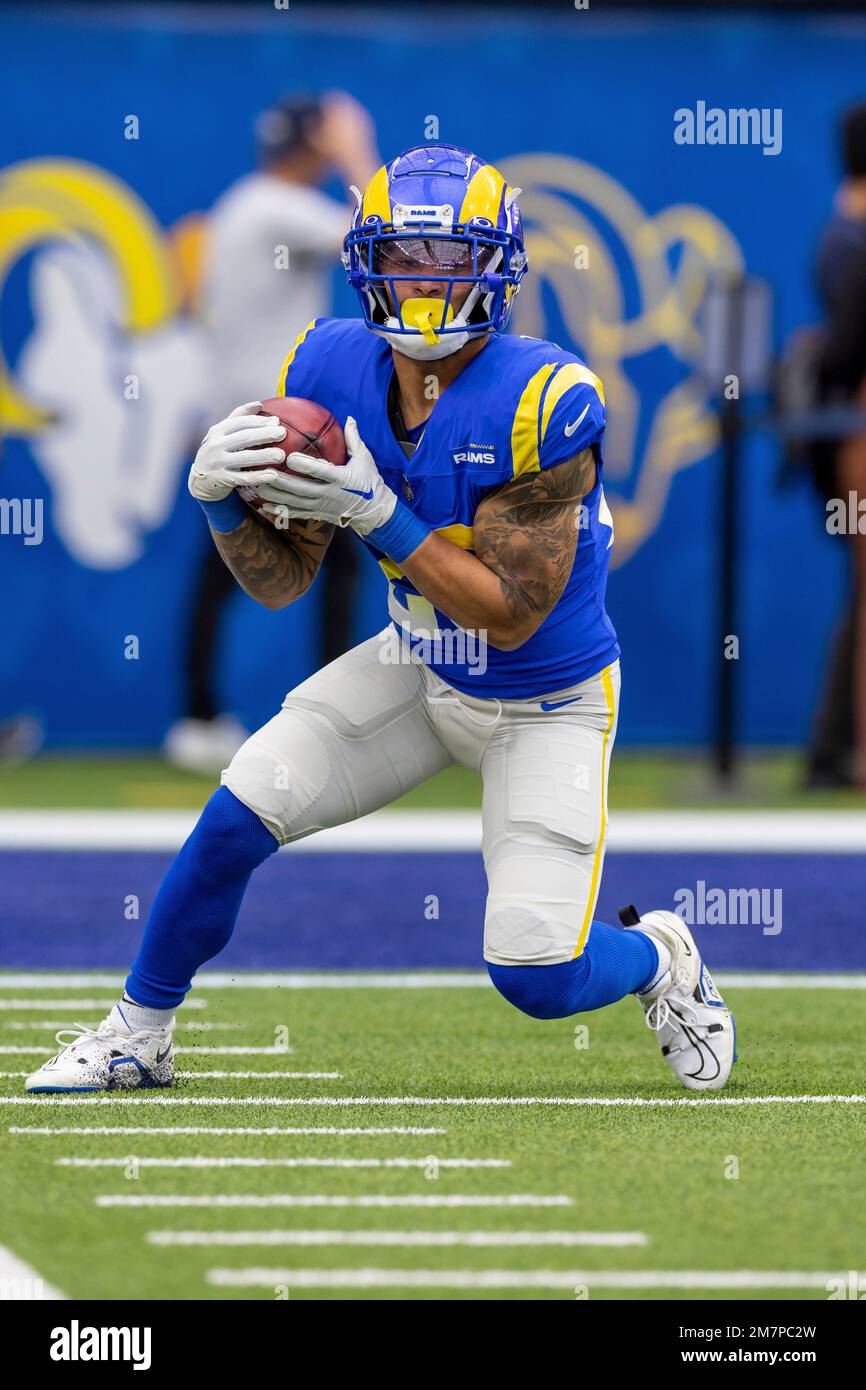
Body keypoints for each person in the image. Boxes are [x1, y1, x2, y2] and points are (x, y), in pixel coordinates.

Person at [27, 143, 736, 1095]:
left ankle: (660, 956)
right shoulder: (326, 366)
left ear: (498, 269)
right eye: (406, 256)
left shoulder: (545, 398)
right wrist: (221, 506)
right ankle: (137, 1035)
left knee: (536, 974)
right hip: (416, 664)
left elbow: (509, 617)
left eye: (452, 258)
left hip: (547, 699)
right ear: (368, 263)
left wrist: (377, 511)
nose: (427, 281)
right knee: (239, 812)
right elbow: (284, 584)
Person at [164, 91, 379, 774]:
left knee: (226, 564)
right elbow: (383, 240)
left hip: (241, 418)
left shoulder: (240, 205)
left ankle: (199, 716)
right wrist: (355, 150)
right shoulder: (275, 208)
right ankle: (327, 722)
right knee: (333, 558)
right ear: (311, 145)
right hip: (282, 427)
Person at [807, 101, 866, 787]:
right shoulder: (853, 239)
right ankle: (842, 750)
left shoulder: (842, 231)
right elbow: (844, 353)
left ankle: (832, 746)